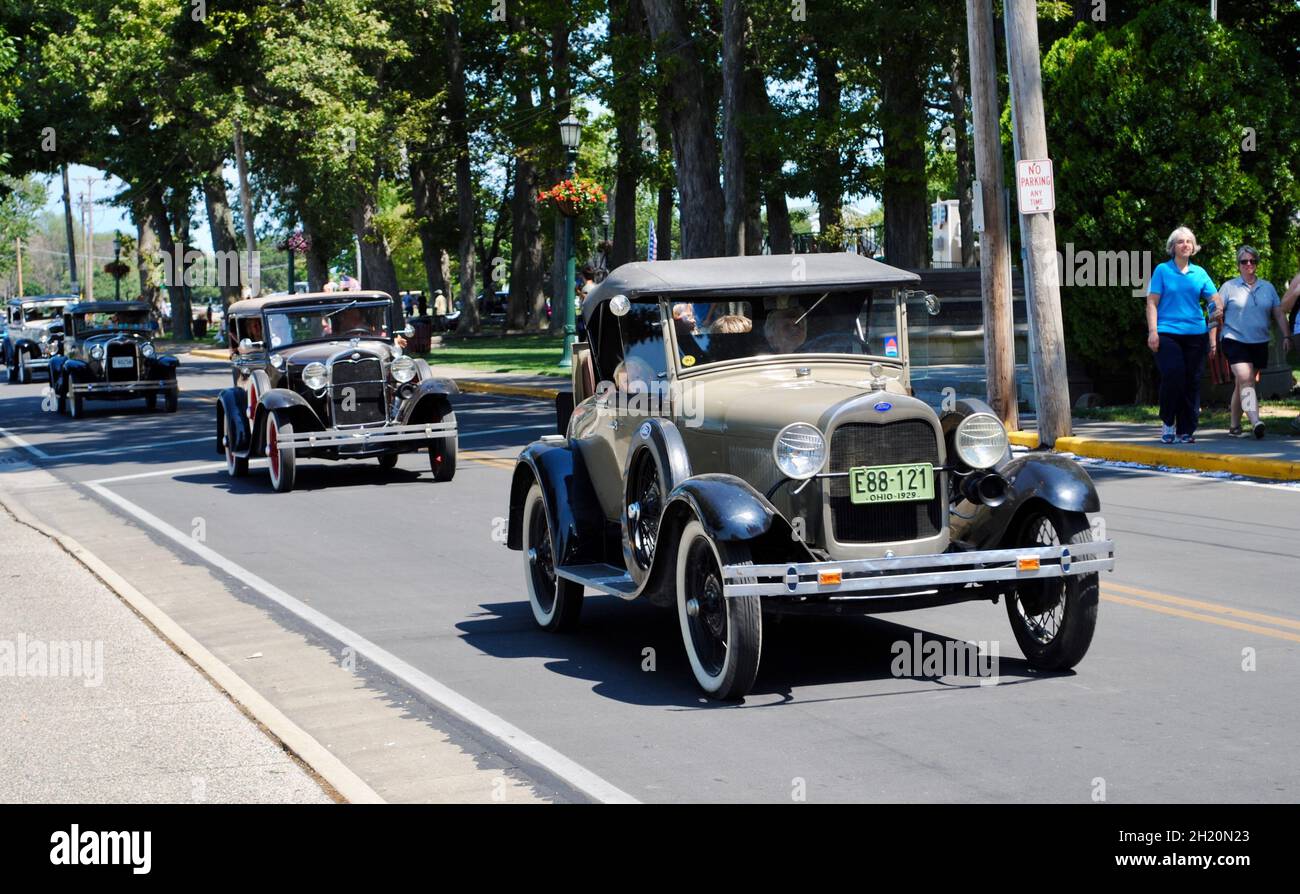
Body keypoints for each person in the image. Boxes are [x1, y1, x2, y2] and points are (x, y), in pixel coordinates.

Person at [1146, 226, 1220, 444]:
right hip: (1167, 332)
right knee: (1174, 375)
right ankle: (1168, 421)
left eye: (1189, 241)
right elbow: (1152, 302)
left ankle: (1186, 429)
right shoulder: (1162, 270)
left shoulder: (1200, 273)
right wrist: (1153, 332)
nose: (1185, 244)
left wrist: (1216, 311)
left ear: (1194, 247)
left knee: (1192, 381)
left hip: (1196, 334)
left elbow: (1215, 299)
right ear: (1173, 247)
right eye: (1181, 241)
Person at [1213, 246, 1291, 438]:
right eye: (1244, 261)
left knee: (1242, 383)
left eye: (1252, 261)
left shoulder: (1268, 287)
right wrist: (1212, 340)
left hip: (1259, 341)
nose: (1248, 264)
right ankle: (1255, 420)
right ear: (1238, 265)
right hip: (1234, 339)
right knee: (1246, 379)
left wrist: (1287, 335)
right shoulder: (1228, 287)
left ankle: (1234, 426)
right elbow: (1215, 313)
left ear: (1256, 263)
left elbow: (1279, 313)